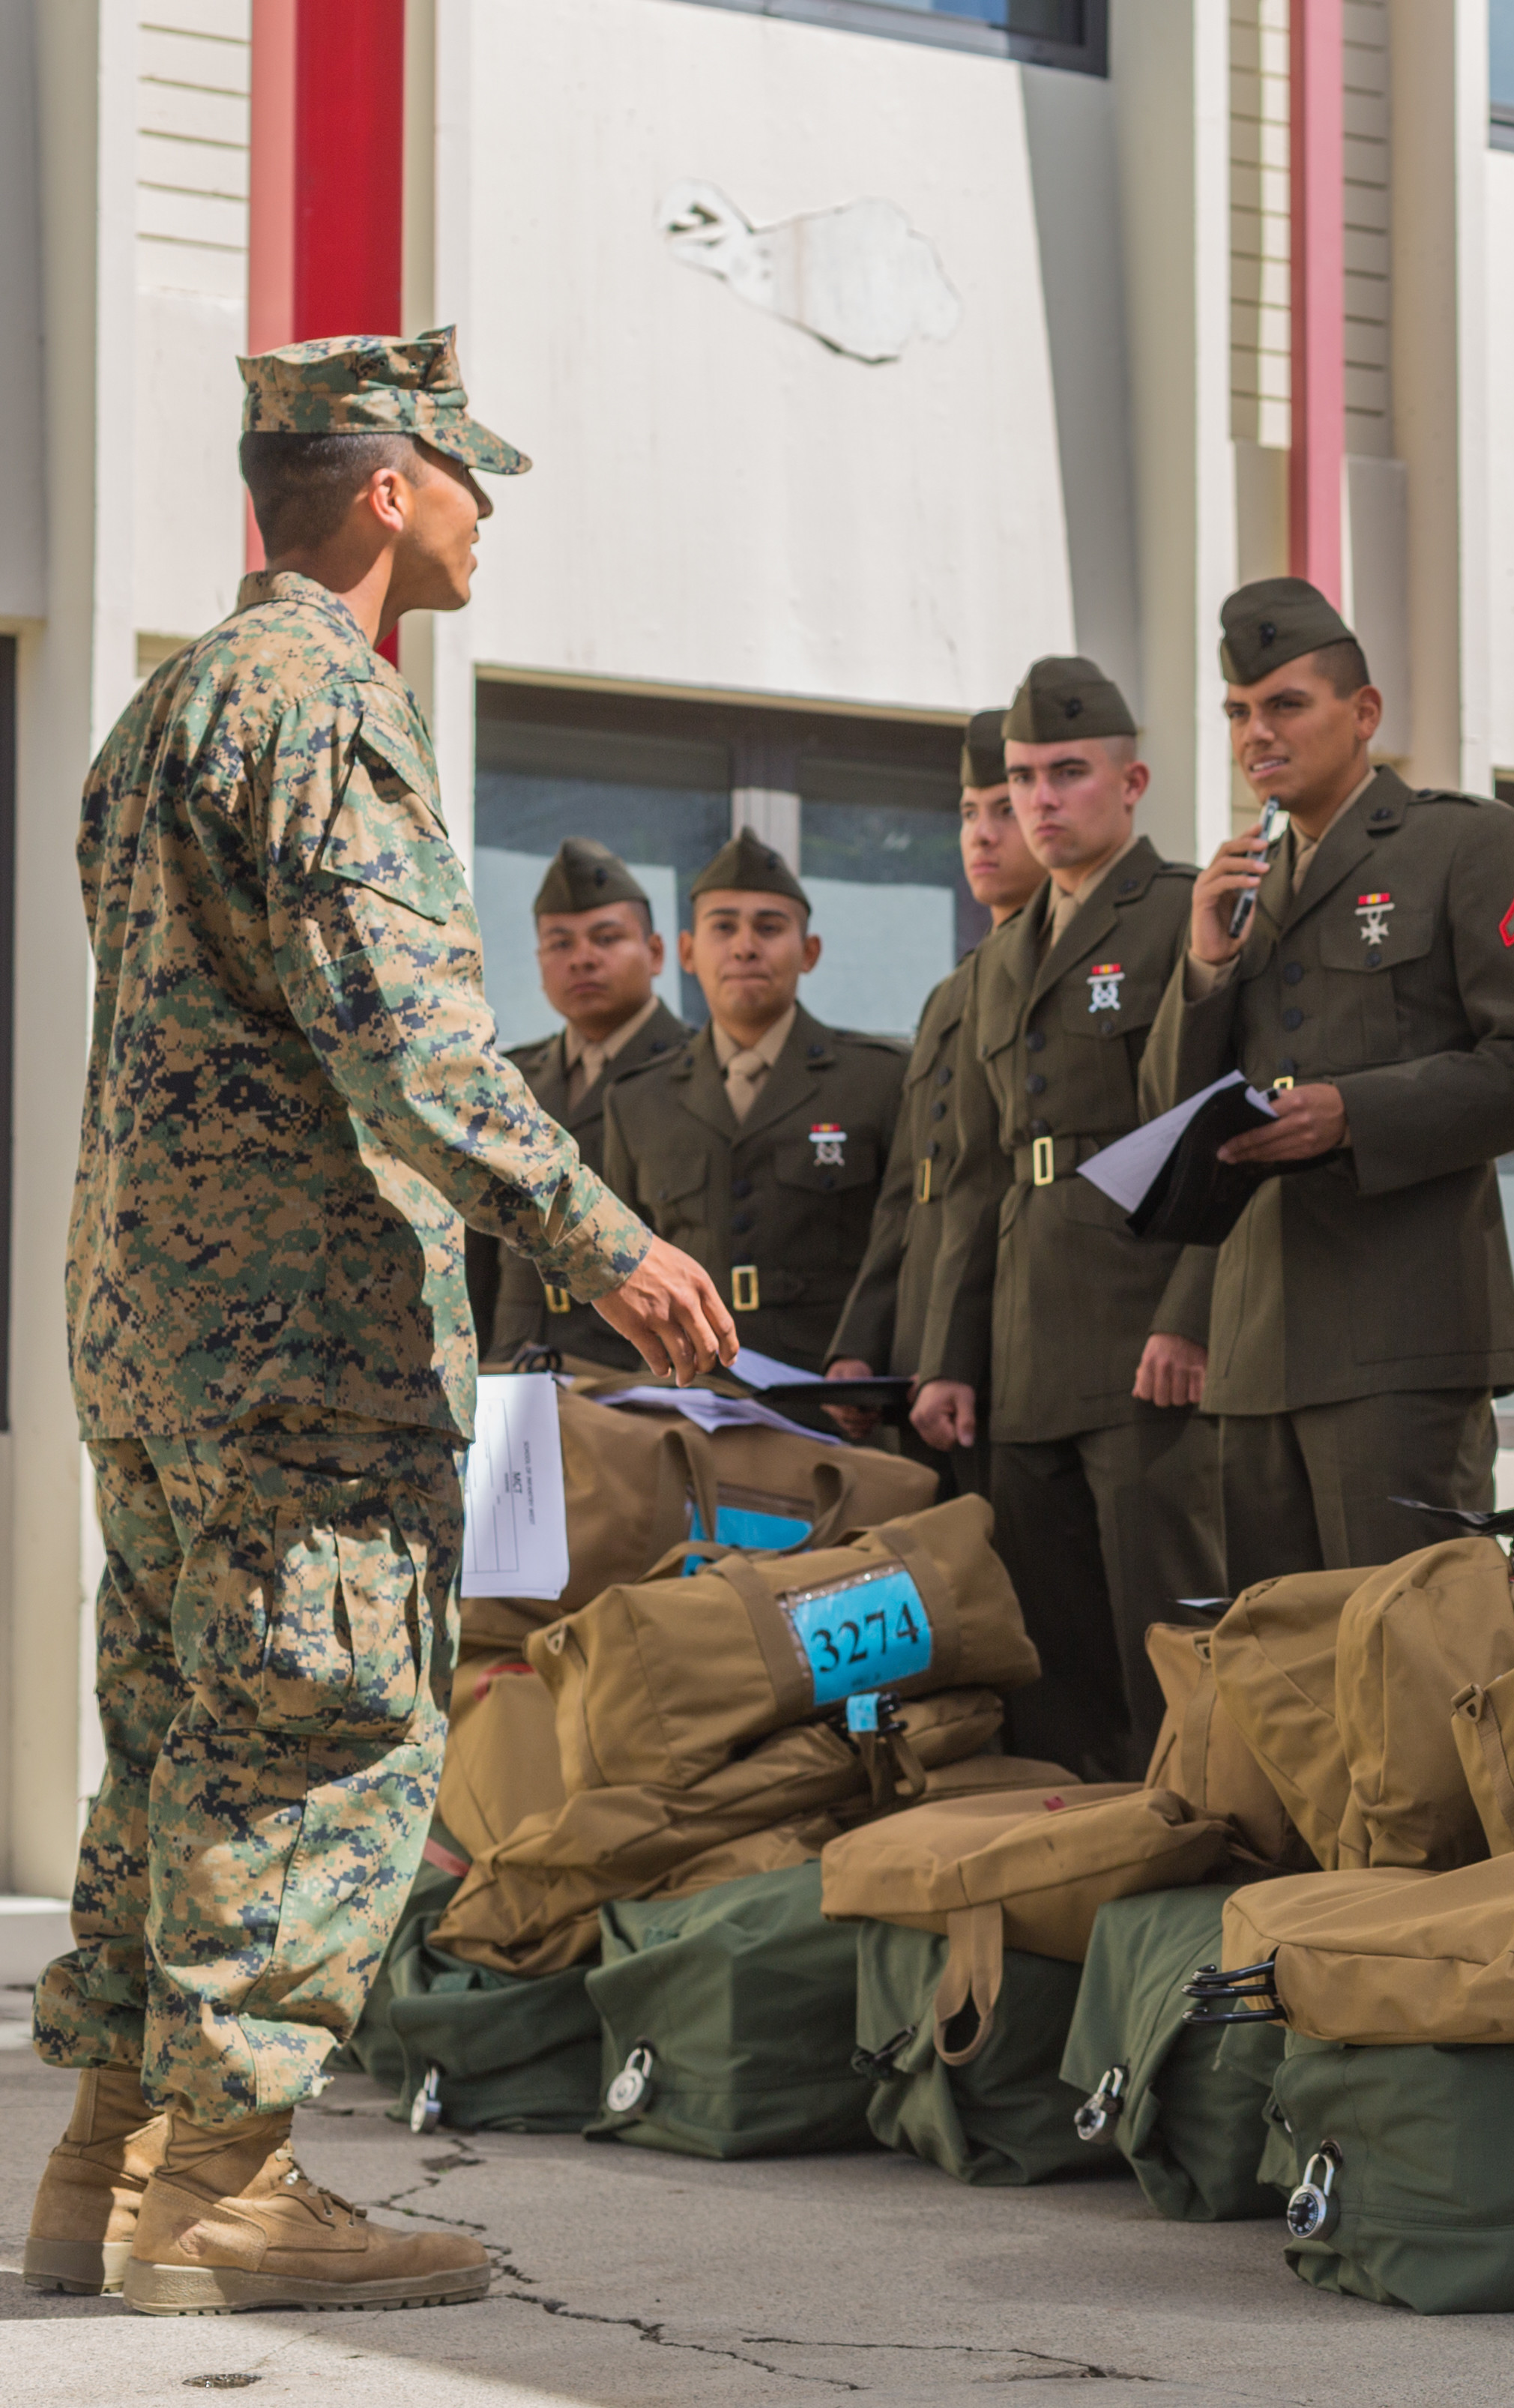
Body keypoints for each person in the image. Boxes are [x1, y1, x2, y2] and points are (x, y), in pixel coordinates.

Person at [30, 330, 732, 2317]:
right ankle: (225, 2190)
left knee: (178, 1726)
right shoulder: (324, 706)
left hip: (151, 1313)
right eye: (470, 475)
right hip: (302, 1323)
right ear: (388, 491)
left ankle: (108, 2159)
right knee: (319, 1731)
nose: (490, 511)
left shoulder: (162, 711)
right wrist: (605, 1241)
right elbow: (413, 1043)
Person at [1150, 579, 1514, 1587]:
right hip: (1256, 1349)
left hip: (1404, 1337)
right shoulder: (1244, 884)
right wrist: (1205, 966)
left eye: (1286, 705)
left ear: (1364, 713)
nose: (1257, 733)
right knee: (1284, 1672)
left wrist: (1355, 1114)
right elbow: (1172, 1114)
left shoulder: (1461, 843)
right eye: (1238, 713)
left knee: (1415, 1652)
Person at [912, 657, 1219, 1775]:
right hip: (1025, 1349)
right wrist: (950, 1354)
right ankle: (1079, 1860)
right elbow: (979, 1173)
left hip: (1140, 1335)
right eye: (1023, 777)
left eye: (1067, 774)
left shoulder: (1180, 912)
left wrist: (1190, 1314)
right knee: (1052, 1651)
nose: (1041, 801)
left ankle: (1186, 1845)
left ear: (1131, 782)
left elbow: (1210, 1131)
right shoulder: (1002, 955)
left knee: (1163, 1639)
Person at [594, 832, 906, 1375]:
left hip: (826, 1391)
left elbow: (905, 1240)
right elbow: (625, 1265)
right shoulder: (636, 1100)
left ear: (809, 952)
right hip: (690, 1394)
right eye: (723, 927)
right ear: (688, 952)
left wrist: (863, 1355)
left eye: (769, 927)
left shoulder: (879, 1080)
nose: (744, 946)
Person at [827, 709, 1040, 1472]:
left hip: (1015, 1345)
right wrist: (861, 1344)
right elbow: (908, 1197)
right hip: (920, 1354)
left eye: (1005, 812)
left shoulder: (1054, 977)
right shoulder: (949, 994)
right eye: (968, 814)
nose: (982, 835)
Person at [474, 837, 688, 1363]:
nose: (583, 959)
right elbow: (476, 1255)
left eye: (606, 938)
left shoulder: (699, 1074)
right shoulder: (510, 1079)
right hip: (515, 1369)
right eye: (560, 943)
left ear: (655, 952)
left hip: (638, 1377)